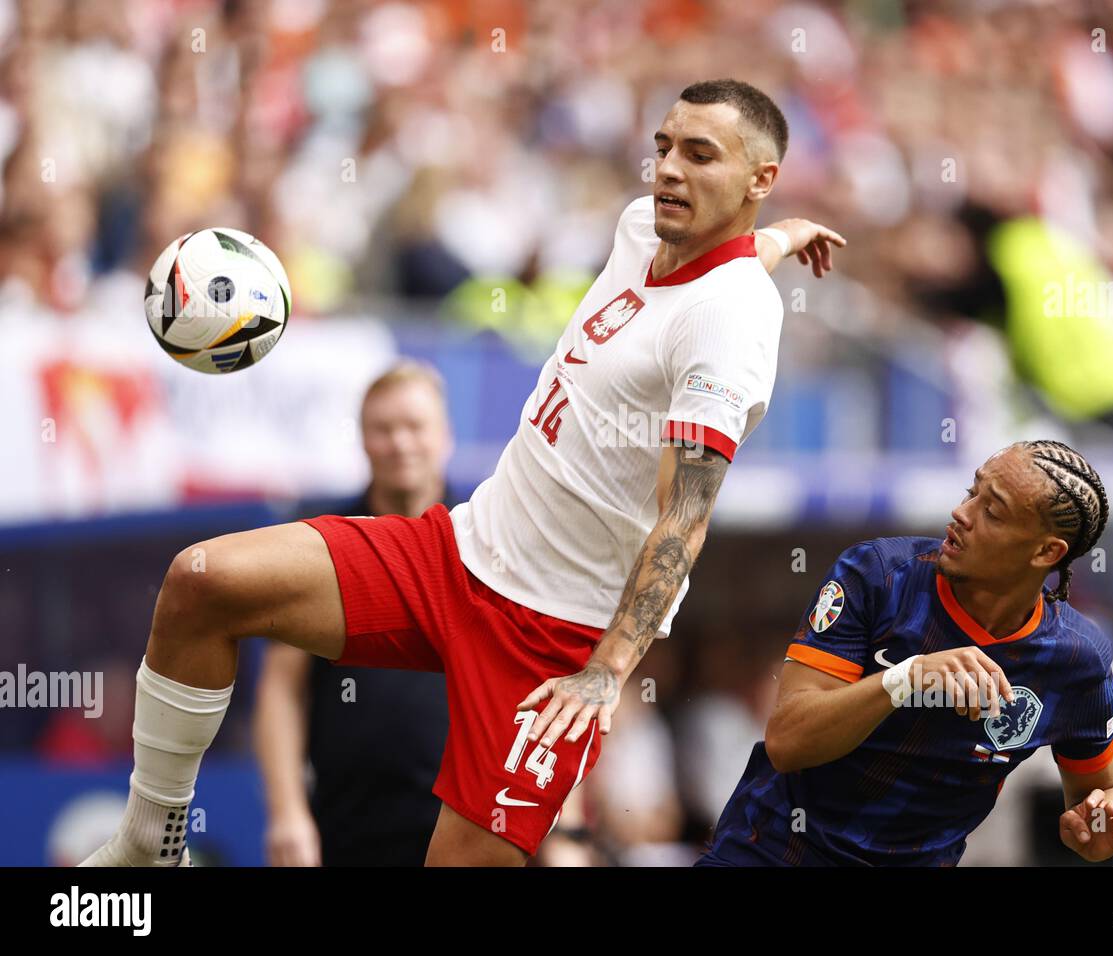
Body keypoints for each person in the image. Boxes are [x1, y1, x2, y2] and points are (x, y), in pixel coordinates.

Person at [81, 78, 847, 867]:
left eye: (699, 154)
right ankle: (148, 847)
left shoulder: (733, 320)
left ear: (759, 178)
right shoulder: (639, 230)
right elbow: (731, 251)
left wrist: (609, 673)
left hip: (551, 640)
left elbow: (684, 517)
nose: (668, 170)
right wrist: (780, 235)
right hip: (458, 551)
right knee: (202, 580)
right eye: (662, 147)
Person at [698, 440, 1113, 866]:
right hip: (771, 853)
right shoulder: (878, 578)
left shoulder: (1077, 660)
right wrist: (904, 679)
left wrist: (1097, 826)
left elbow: (1103, 790)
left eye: (992, 511)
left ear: (1046, 551)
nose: (961, 513)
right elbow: (787, 742)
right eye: (972, 491)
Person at [252, 362, 454, 867]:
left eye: (414, 426)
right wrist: (286, 813)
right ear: (363, 441)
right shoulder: (322, 548)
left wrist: (567, 826)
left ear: (444, 436)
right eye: (383, 429)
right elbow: (280, 688)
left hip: (465, 834)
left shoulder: (484, 541)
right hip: (345, 834)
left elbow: (536, 682)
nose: (400, 443)